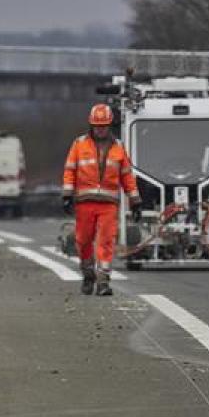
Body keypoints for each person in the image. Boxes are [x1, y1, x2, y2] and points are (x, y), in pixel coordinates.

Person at [61, 103, 141, 296]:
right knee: (83, 240)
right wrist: (66, 195)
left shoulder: (119, 147)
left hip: (108, 204)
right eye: (97, 126)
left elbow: (127, 176)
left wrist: (135, 200)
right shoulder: (79, 144)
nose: (100, 130)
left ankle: (103, 280)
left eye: (104, 126)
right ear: (91, 126)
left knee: (106, 241)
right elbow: (70, 171)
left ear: (110, 126)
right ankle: (88, 273)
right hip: (84, 202)